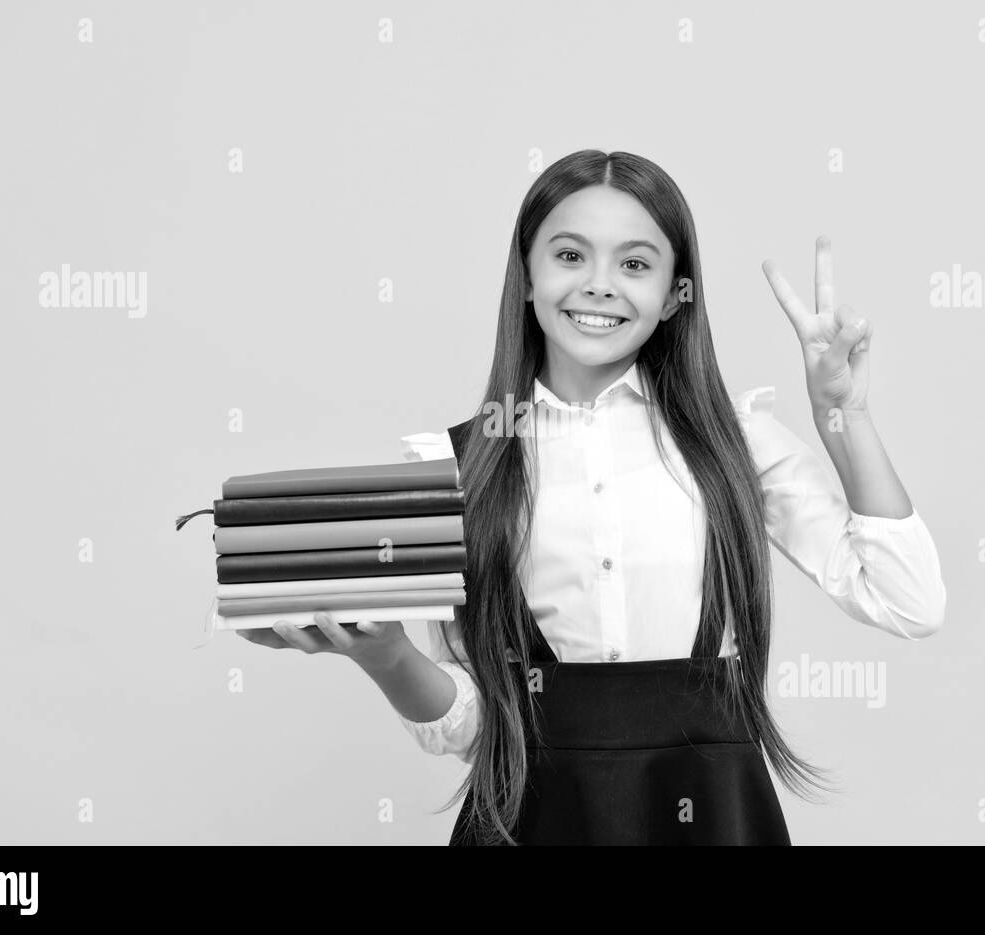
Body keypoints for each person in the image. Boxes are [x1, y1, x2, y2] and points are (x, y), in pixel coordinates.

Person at [238, 149, 947, 845]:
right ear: (526, 276)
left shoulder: (737, 441)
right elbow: (474, 728)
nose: (600, 285)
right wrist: (385, 654)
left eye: (635, 264)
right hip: (534, 819)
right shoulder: (455, 467)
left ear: (676, 295)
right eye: (570, 256)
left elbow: (908, 598)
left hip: (714, 814)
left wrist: (843, 415)